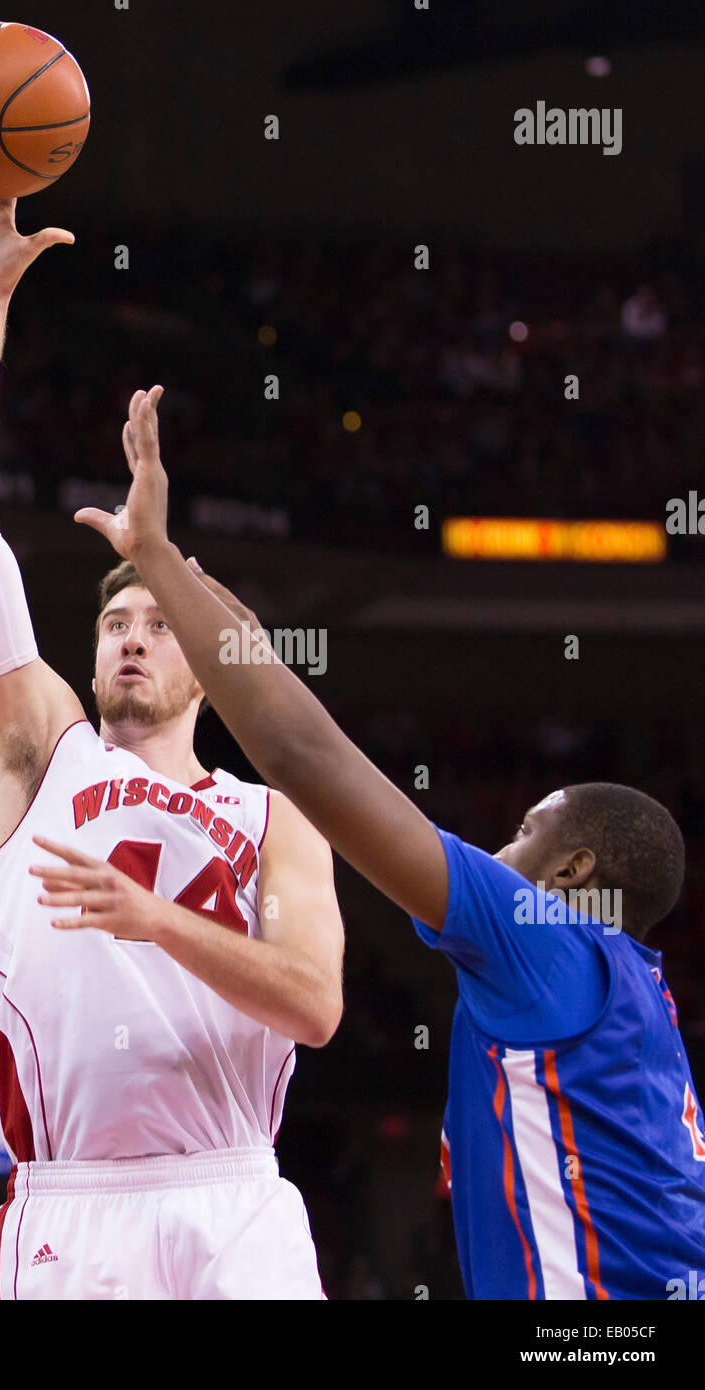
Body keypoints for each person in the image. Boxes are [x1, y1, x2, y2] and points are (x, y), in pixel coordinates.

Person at [80, 377, 705, 1301]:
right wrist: (239, 642)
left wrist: (159, 559)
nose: (498, 847)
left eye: (524, 830)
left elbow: (299, 752)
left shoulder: (537, 935)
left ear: (572, 870)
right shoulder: (633, 1000)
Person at [0, 172, 343, 1301]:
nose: (134, 639)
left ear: (205, 659)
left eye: (159, 621)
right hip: (66, 1207)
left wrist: (155, 922)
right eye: (113, 622)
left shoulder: (275, 817)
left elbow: (313, 1002)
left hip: (234, 1195)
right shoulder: (40, 750)